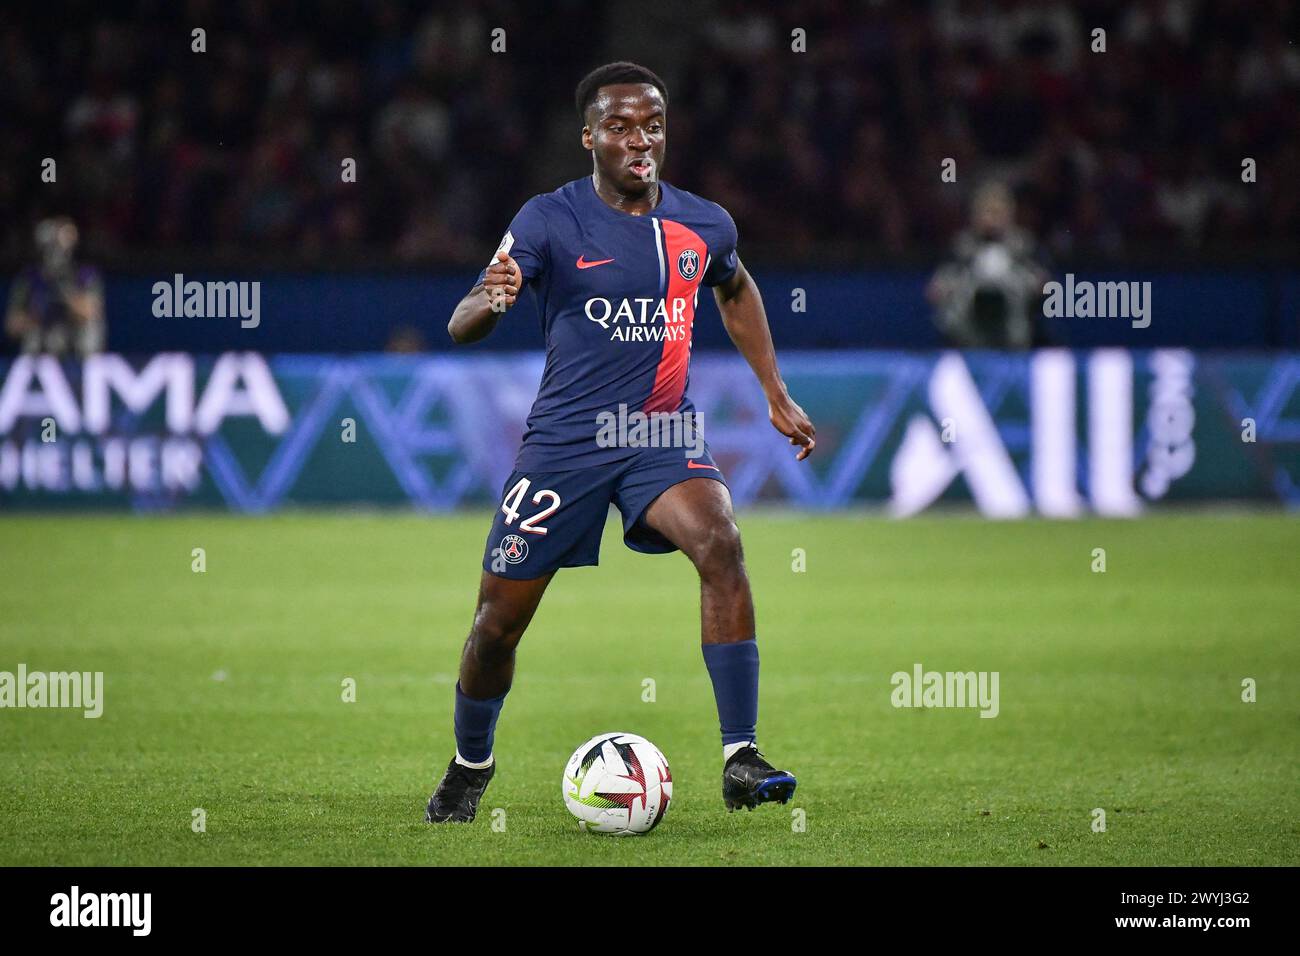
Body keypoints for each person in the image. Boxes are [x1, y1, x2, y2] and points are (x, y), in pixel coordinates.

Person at [426, 62, 816, 823]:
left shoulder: (705, 224)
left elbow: (734, 286)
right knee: (496, 626)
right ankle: (471, 763)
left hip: (657, 431)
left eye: (653, 126)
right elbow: (463, 320)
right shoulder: (548, 219)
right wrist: (491, 301)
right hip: (566, 442)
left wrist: (775, 390)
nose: (640, 141)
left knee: (721, 542)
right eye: (620, 127)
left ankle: (741, 756)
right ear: (589, 138)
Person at [926, 182, 1049, 349]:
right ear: (975, 215)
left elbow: (1043, 285)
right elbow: (935, 289)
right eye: (987, 212)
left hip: (1012, 333)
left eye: (998, 212)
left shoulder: (1022, 246)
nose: (993, 219)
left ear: (1010, 214)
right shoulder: (962, 247)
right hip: (968, 334)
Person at [5, 217, 105, 357]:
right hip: (44, 345)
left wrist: (63, 294)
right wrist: (36, 314)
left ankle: (86, 365)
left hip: (76, 346)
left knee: (89, 329)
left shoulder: (85, 275)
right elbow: (11, 326)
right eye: (52, 246)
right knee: (39, 336)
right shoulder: (29, 278)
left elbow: (91, 312)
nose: (56, 252)